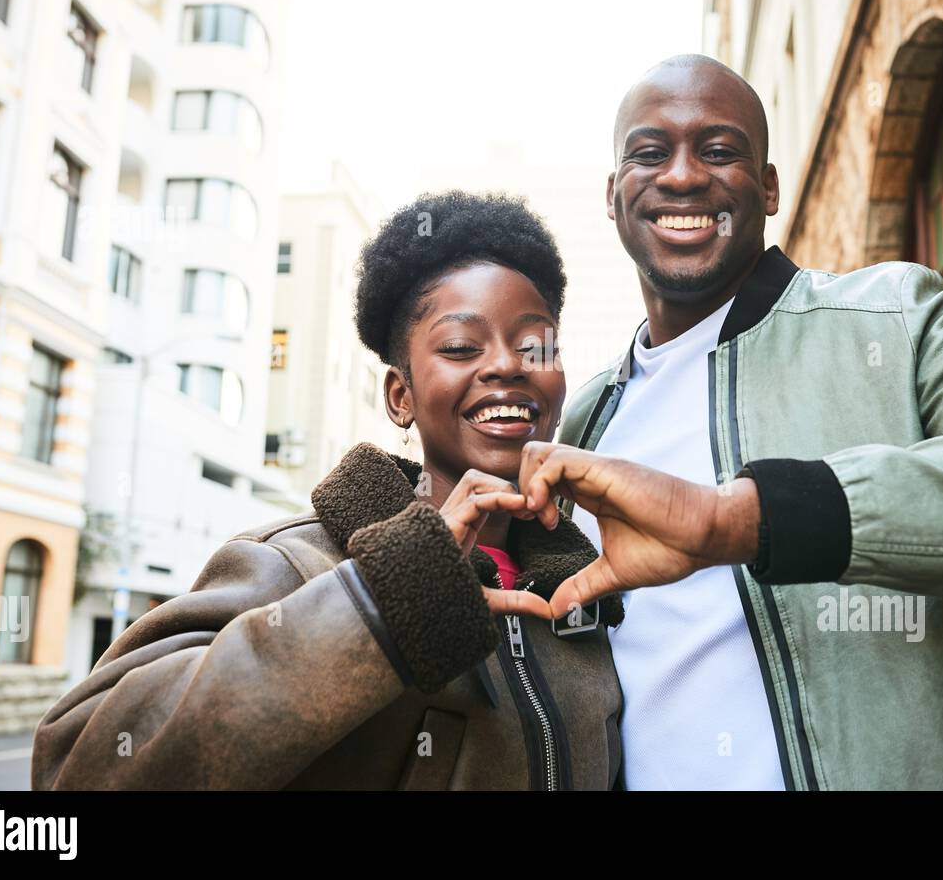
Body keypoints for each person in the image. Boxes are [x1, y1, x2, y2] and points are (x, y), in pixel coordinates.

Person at [518, 54, 943, 791]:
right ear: (614, 196)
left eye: (718, 150)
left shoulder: (890, 316)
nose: (681, 176)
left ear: (769, 187)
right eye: (650, 153)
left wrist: (747, 519)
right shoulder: (585, 422)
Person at [31, 190, 625, 790]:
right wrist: (391, 600)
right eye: (460, 348)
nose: (508, 365)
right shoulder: (292, 562)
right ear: (400, 396)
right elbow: (75, 767)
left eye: (535, 346)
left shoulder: (587, 595)